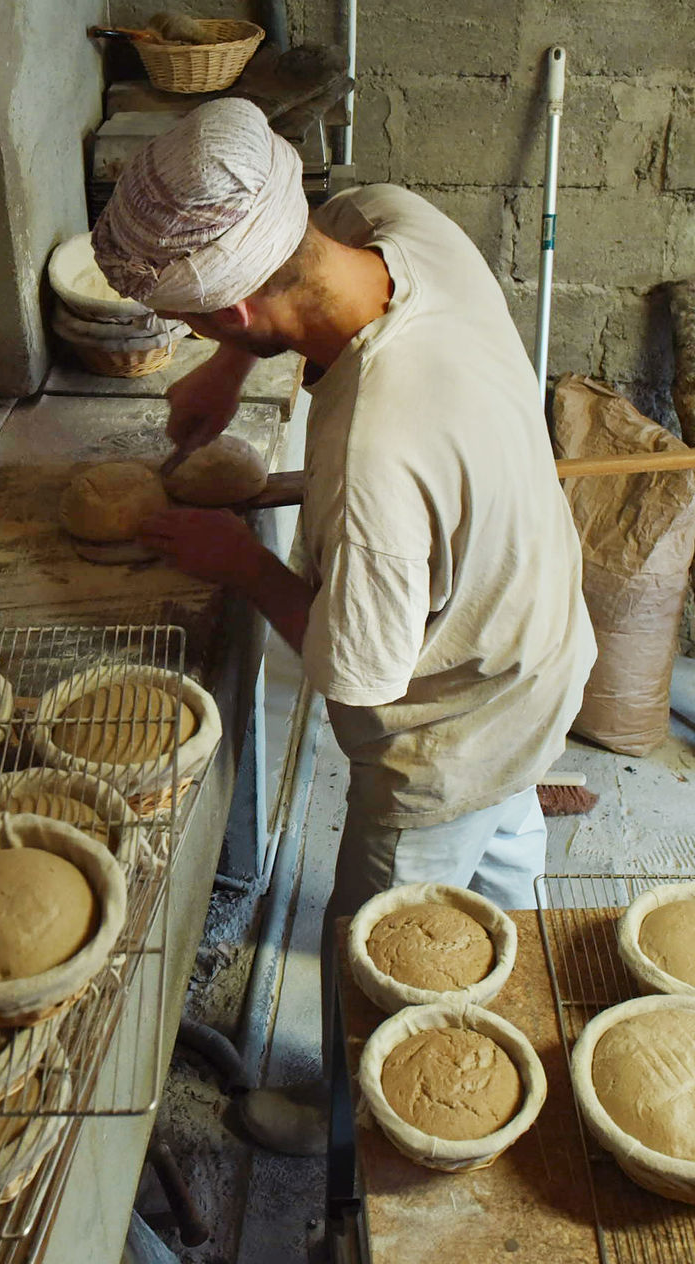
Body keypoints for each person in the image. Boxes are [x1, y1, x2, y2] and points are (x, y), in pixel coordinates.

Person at [93, 98, 595, 1152]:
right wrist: (229, 368)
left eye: (198, 329)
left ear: (229, 304)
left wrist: (236, 560)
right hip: (538, 640)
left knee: (378, 943)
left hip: (447, 726)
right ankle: (496, 950)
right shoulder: (403, 229)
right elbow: (339, 221)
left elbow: (358, 674)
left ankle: (361, 1113)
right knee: (500, 844)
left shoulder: (372, 445)